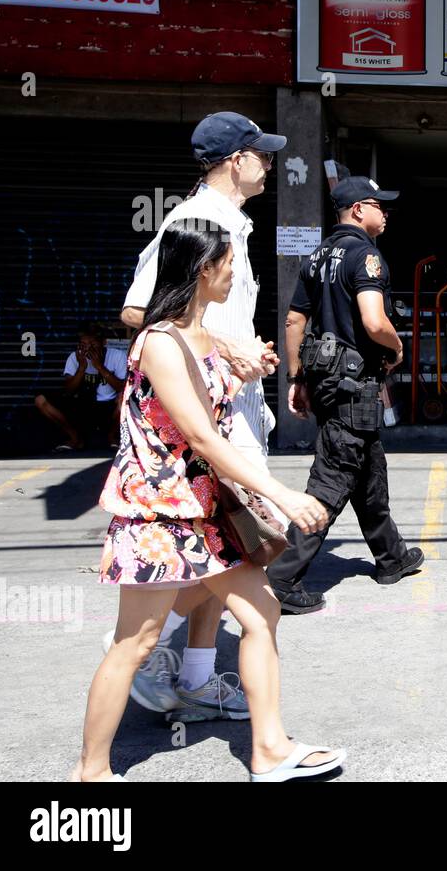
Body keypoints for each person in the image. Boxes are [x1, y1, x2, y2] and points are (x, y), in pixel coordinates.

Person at [76, 218, 343, 782]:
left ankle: (268, 750)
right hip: (162, 515)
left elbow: (212, 400)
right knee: (135, 642)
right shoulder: (159, 342)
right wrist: (281, 495)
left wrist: (248, 370)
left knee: (262, 610)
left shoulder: (202, 337)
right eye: (228, 264)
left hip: (206, 510)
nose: (234, 273)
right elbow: (199, 436)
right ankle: (91, 774)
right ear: (203, 269)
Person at [116, 111, 285, 718]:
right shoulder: (195, 221)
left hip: (234, 399)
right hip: (209, 415)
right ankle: (151, 650)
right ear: (235, 160)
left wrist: (242, 347)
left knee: (229, 544)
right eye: (261, 154)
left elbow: (211, 321)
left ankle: (193, 676)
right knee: (233, 546)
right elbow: (141, 309)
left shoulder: (230, 223)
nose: (268, 162)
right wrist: (225, 343)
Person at [271, 176, 423, 614]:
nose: (385, 212)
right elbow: (374, 322)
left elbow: (294, 322)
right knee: (333, 479)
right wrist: (397, 348)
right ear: (358, 211)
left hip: (327, 382)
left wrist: (298, 379)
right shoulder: (365, 255)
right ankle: (282, 577)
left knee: (368, 467)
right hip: (355, 384)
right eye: (379, 205)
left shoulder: (316, 256)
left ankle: (391, 557)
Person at [34, 324, 127, 451]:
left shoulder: (117, 356)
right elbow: (68, 390)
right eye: (83, 344)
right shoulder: (75, 357)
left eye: (92, 344)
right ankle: (75, 439)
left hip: (107, 405)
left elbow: (121, 387)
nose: (88, 348)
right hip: (82, 405)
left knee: (125, 398)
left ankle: (112, 437)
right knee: (41, 400)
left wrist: (100, 366)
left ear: (104, 343)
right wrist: (81, 368)